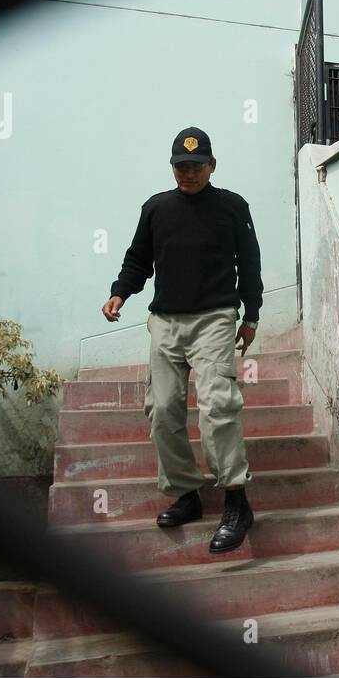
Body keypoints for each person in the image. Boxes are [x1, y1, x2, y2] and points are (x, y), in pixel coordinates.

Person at [102, 126, 263, 554]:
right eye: (180, 166)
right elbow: (138, 260)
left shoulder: (232, 206)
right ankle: (187, 494)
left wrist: (253, 314)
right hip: (166, 322)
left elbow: (249, 263)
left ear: (212, 165)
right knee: (161, 408)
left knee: (218, 405)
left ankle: (236, 501)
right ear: (172, 167)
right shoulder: (156, 209)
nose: (187, 173)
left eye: (195, 166)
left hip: (214, 318)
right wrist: (120, 291)